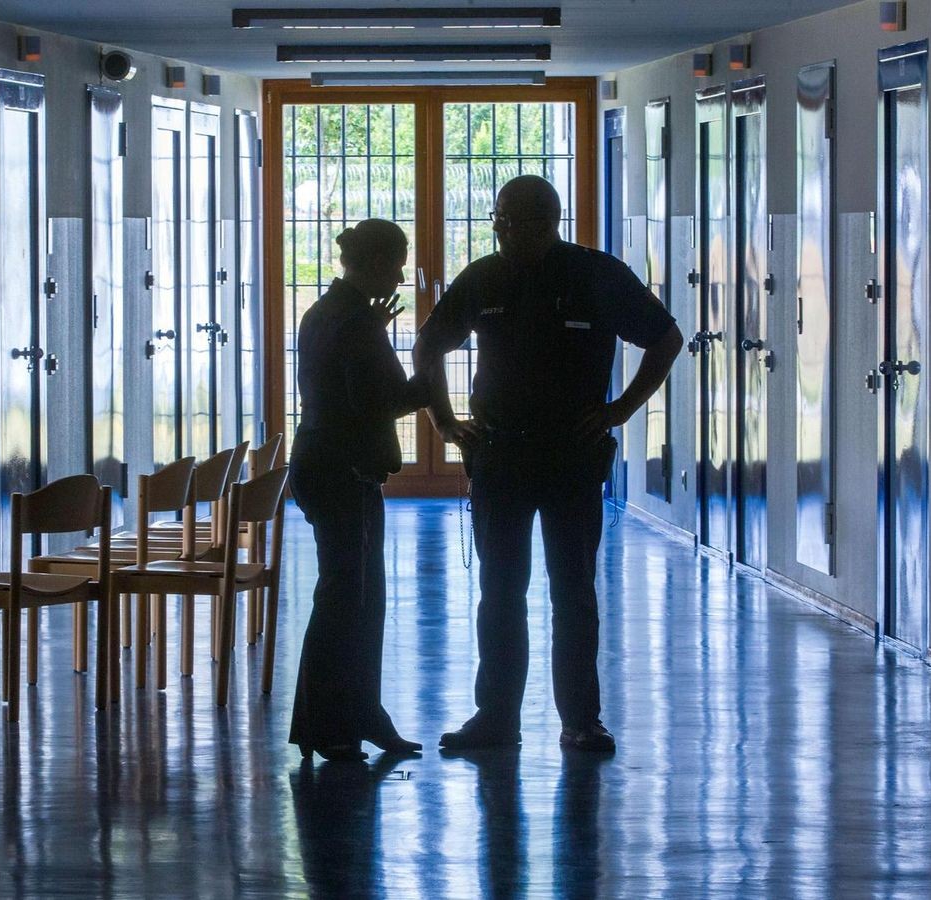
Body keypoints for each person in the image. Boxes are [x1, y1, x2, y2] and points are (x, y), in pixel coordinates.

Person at [413, 175, 683, 753]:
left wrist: (619, 410)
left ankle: (581, 721)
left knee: (573, 593)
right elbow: (427, 346)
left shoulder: (595, 274)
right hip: (501, 455)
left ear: (549, 223)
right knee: (500, 592)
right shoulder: (483, 277)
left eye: (518, 222)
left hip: (570, 457)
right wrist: (444, 422)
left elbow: (666, 339)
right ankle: (496, 719)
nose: (505, 231)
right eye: (500, 220)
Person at [289, 218, 428, 763]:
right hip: (343, 470)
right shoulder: (357, 322)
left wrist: (377, 334)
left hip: (322, 463)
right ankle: (334, 725)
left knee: (353, 597)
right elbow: (385, 400)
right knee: (349, 601)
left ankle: (348, 719)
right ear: (373, 263)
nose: (400, 277)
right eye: (396, 265)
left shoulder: (328, 312)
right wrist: (429, 374)